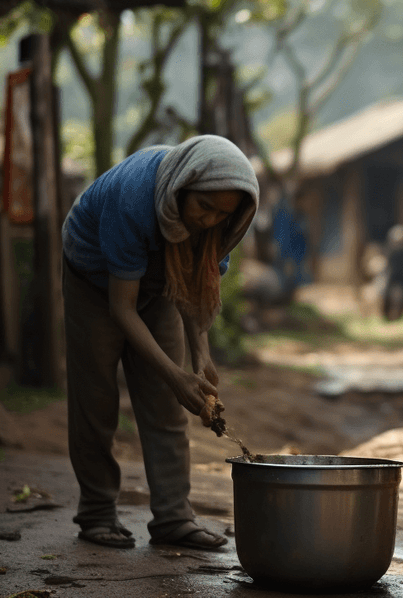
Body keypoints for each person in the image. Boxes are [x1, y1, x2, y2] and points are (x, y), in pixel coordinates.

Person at [61, 135, 259, 550]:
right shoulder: (133, 200)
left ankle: (173, 519)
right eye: (203, 207)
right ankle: (97, 513)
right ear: (181, 188)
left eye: (222, 214)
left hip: (158, 287)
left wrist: (199, 357)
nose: (209, 221)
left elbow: (191, 290)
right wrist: (176, 375)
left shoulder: (216, 229)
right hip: (97, 285)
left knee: (168, 409)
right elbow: (122, 308)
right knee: (96, 401)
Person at [377, 224, 403, 321]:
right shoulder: (389, 249)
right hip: (391, 275)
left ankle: (400, 315)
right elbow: (385, 262)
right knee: (386, 294)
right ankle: (386, 315)